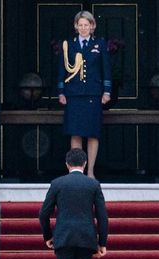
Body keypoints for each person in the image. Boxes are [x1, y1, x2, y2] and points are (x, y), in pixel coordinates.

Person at [57, 10, 112, 178]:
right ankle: (76, 172)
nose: (83, 28)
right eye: (80, 25)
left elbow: (106, 69)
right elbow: (62, 69)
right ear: (76, 26)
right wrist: (61, 91)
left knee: (92, 133)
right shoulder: (69, 44)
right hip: (73, 94)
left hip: (93, 94)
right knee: (76, 133)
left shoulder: (100, 44)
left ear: (92, 26)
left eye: (86, 25)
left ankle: (90, 171)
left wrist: (107, 91)